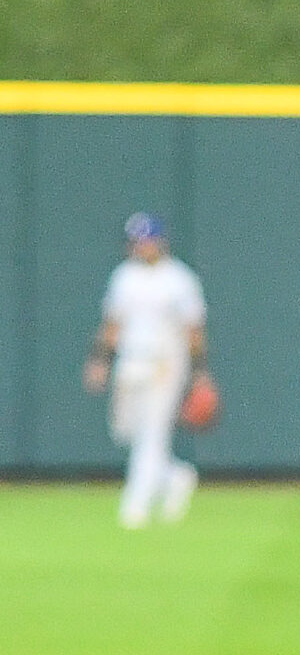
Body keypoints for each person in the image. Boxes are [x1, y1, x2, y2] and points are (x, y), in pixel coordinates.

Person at [83, 213, 211, 530]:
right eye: (137, 240)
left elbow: (194, 330)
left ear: (161, 241)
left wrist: (199, 372)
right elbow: (113, 324)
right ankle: (176, 476)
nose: (142, 246)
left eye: (147, 239)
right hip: (130, 362)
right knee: (126, 431)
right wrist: (100, 359)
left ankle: (135, 506)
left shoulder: (179, 279)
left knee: (151, 436)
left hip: (165, 364)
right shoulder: (124, 276)